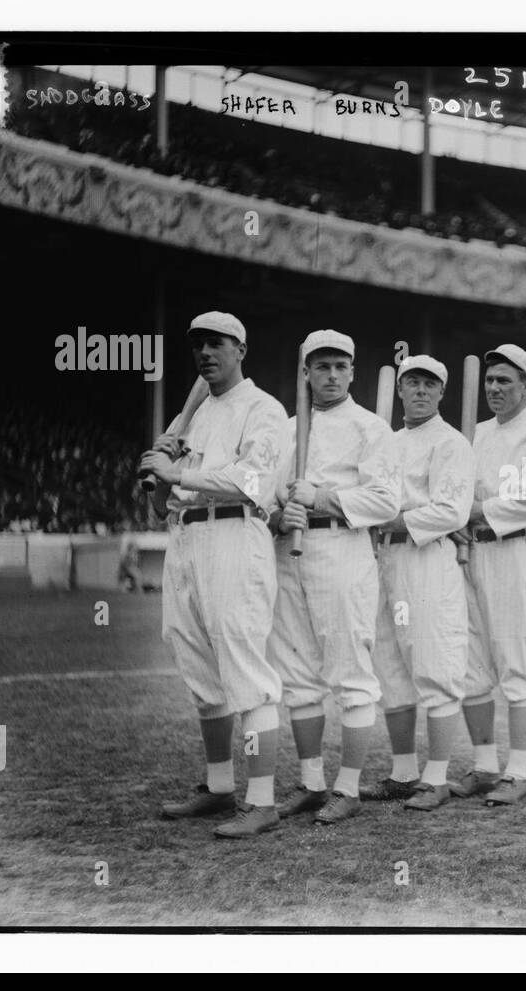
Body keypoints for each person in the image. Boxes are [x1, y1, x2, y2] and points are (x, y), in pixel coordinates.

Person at [140, 311, 290, 838]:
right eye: (198, 344)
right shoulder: (195, 416)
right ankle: (221, 786)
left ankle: (263, 801)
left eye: (217, 344)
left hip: (234, 536)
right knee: (197, 664)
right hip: (186, 537)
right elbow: (164, 504)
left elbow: (252, 479)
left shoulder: (263, 408)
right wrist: (157, 474)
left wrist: (178, 471)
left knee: (244, 670)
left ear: (240, 349)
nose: (206, 352)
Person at [267, 330, 402, 825]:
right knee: (296, 673)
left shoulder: (370, 427)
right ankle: (310, 782)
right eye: (320, 366)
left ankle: (348, 788)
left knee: (349, 670)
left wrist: (321, 497)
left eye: (339, 366)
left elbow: (386, 502)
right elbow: (263, 493)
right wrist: (280, 515)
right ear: (306, 372)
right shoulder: (284, 429)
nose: (329, 375)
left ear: (352, 372)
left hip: (341, 546)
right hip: (289, 547)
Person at [359, 355, 475, 811]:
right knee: (391, 666)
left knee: (434, 666)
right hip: (383, 557)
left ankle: (438, 777)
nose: (420, 391)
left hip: (427, 557)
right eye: (412, 383)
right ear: (400, 389)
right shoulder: (385, 441)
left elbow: (451, 511)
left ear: (441, 392)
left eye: (430, 384)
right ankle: (404, 772)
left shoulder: (450, 443)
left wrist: (390, 517)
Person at [450, 344, 526, 807]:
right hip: (469, 554)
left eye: (504, 381)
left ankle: (518, 769)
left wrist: (476, 509)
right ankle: (485, 765)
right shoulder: (472, 434)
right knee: (471, 666)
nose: (494, 388)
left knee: (518, 662)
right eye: (490, 380)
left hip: (515, 552)